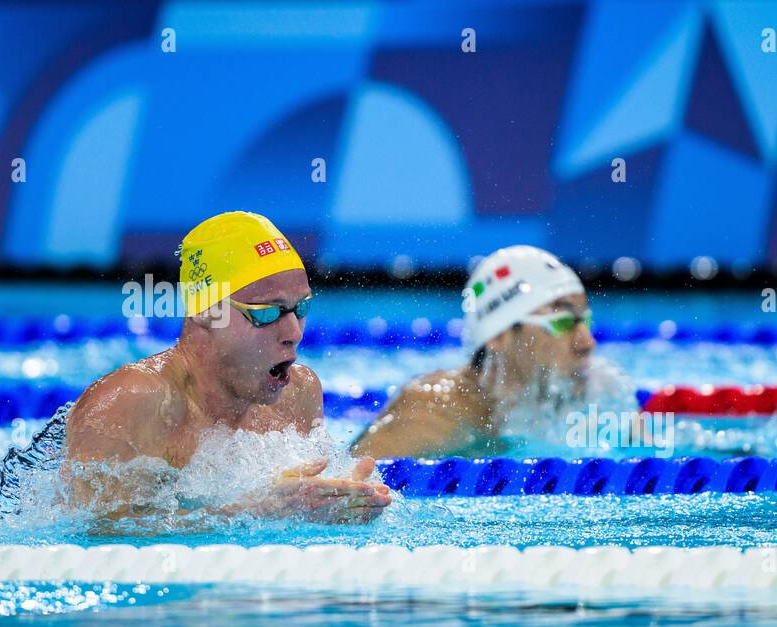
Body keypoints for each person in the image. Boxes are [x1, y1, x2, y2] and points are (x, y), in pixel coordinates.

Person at [62, 211, 390, 524]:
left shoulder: (299, 394)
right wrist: (255, 512)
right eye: (267, 312)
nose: (294, 333)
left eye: (300, 308)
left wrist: (339, 504)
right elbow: (89, 533)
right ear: (206, 311)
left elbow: (294, 514)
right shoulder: (131, 404)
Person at [351, 245, 600, 459]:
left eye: (585, 322)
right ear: (499, 336)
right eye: (563, 322)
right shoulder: (434, 412)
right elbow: (346, 494)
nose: (587, 343)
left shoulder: (582, 397)